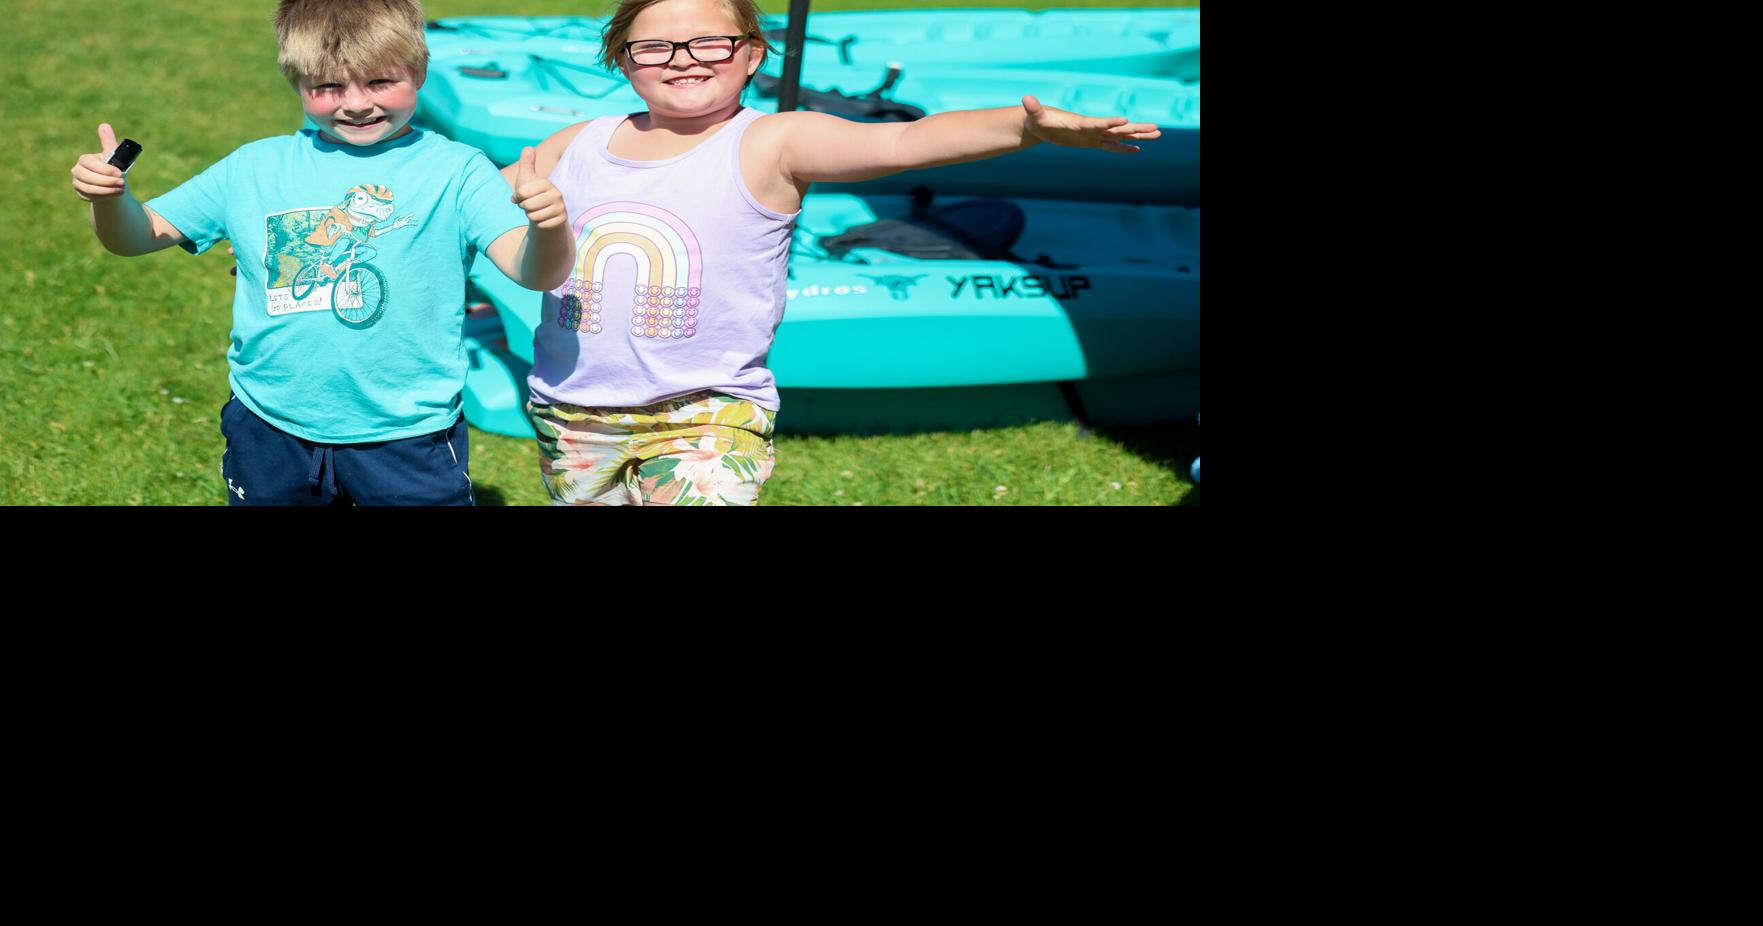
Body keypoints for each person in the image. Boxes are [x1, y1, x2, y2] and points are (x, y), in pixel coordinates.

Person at [510, 0, 1160, 506]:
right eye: (654, 45)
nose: (684, 58)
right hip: (572, 405)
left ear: (753, 54)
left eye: (710, 40)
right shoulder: (579, 142)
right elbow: (494, 209)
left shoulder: (772, 142)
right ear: (622, 58)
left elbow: (904, 144)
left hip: (706, 409)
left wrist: (1023, 128)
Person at [68, 0, 575, 505]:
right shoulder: (253, 168)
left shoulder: (457, 170)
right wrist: (110, 201)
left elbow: (531, 270)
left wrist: (548, 227)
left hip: (407, 431)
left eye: (379, 82)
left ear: (419, 72)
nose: (355, 104)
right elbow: (137, 235)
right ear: (296, 82)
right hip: (270, 424)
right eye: (327, 86)